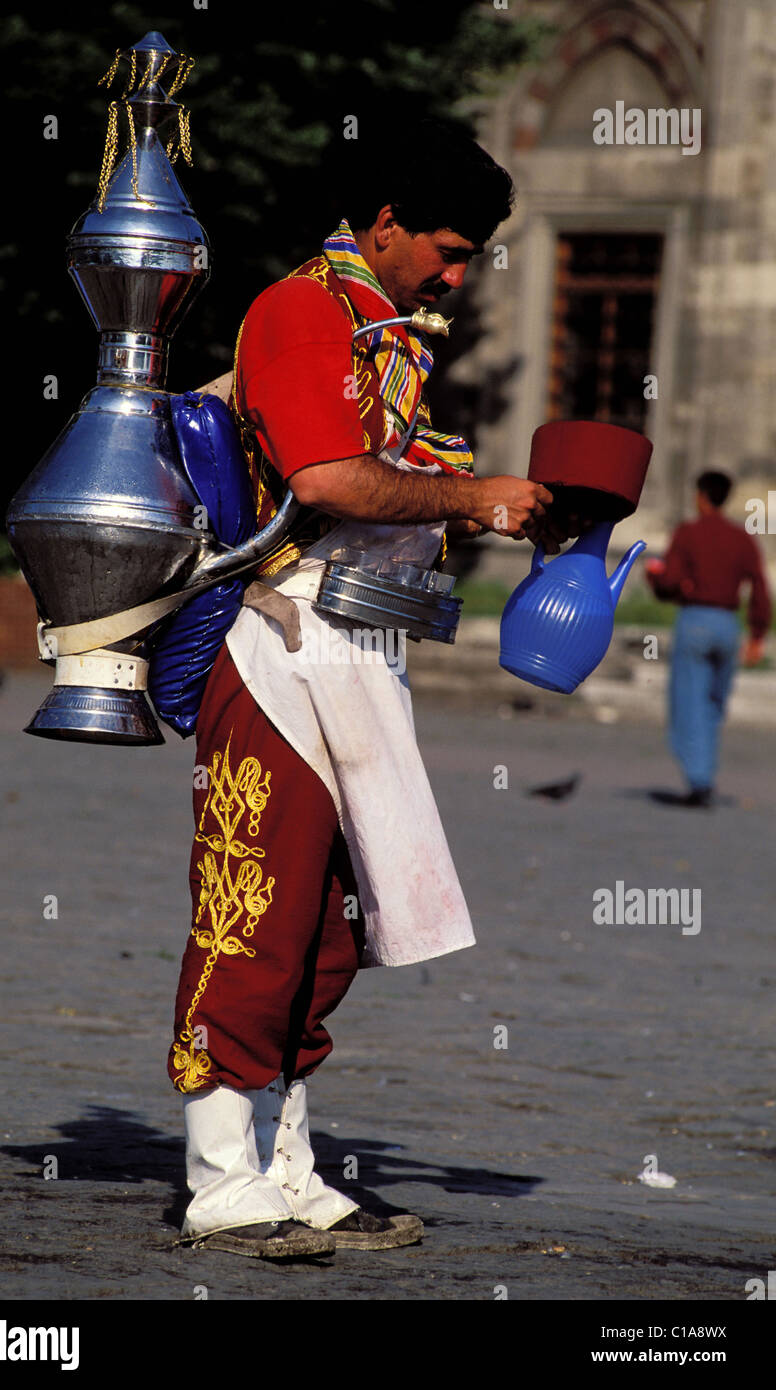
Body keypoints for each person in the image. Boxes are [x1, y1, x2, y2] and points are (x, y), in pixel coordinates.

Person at [167, 118, 573, 1260]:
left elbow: (403, 479)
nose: (455, 275)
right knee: (254, 912)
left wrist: (515, 504)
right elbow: (328, 477)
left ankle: (287, 1169)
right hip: (275, 650)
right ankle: (216, 1178)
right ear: (382, 223)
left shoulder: (385, 331)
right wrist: (463, 495)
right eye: (445, 250)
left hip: (355, 658)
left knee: (326, 935)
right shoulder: (302, 308)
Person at [646, 470, 771, 807]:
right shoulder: (742, 538)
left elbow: (670, 579)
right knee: (714, 703)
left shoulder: (689, 533)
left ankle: (699, 779)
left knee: (689, 703)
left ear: (701, 495)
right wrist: (758, 634)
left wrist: (655, 578)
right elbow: (759, 585)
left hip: (696, 622)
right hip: (729, 626)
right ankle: (706, 770)